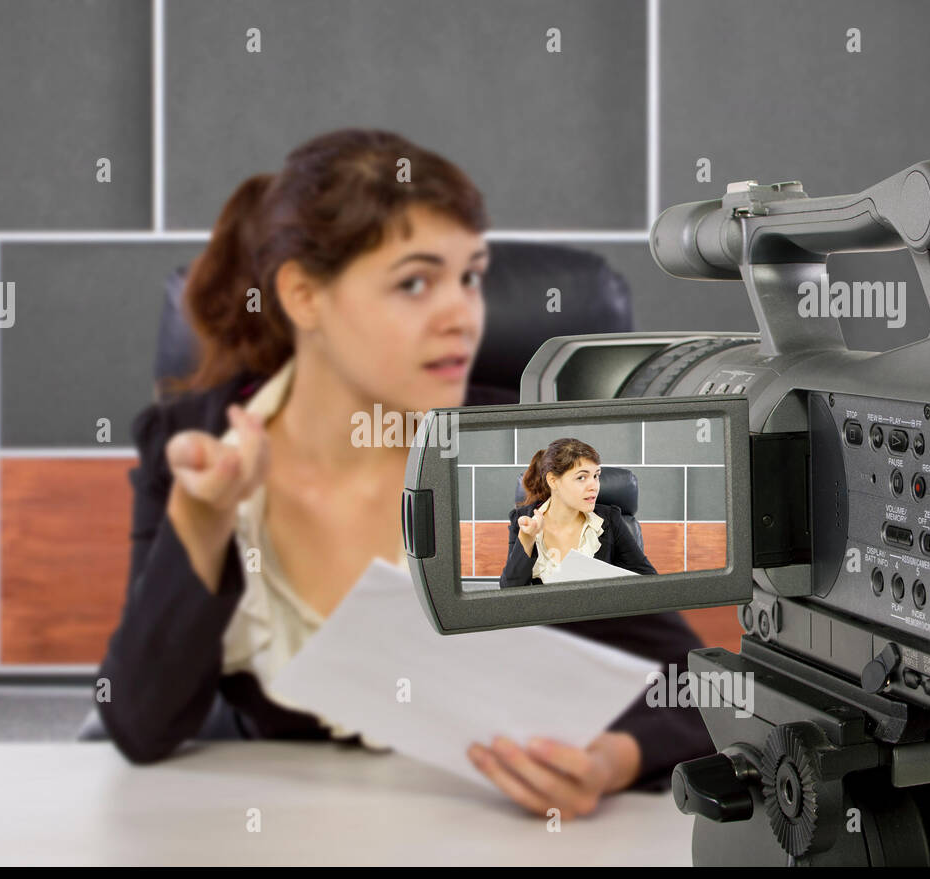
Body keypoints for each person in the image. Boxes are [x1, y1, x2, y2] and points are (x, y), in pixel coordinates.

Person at [96, 128, 712, 820]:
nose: (462, 316)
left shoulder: (523, 457)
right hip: (263, 817)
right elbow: (138, 724)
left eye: (470, 278)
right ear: (304, 295)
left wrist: (606, 761)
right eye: (415, 282)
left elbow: (687, 690)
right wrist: (203, 518)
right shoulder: (192, 441)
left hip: (471, 825)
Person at [500, 438, 656, 587]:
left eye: (596, 476)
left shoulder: (609, 520)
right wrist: (527, 539)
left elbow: (649, 580)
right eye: (582, 477)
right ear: (553, 481)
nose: (594, 486)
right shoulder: (524, 520)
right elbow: (510, 592)